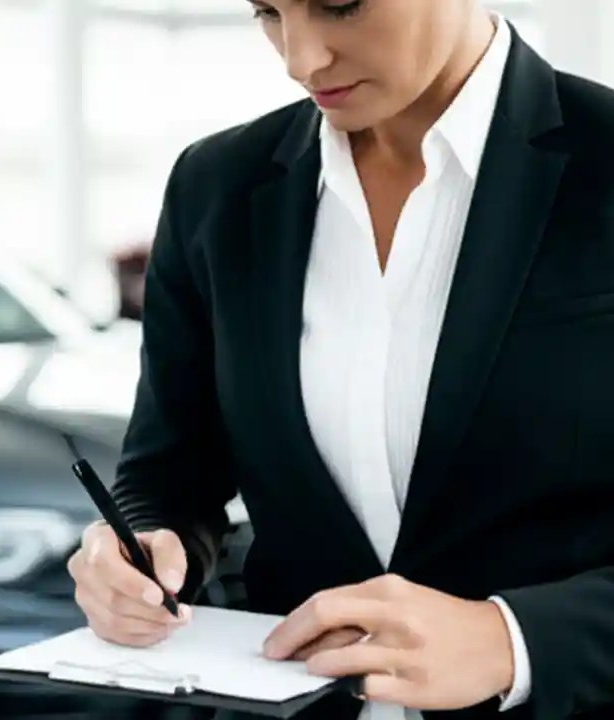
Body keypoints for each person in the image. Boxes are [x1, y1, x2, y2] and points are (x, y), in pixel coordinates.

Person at [67, 1, 614, 718]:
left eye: (340, 5)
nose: (301, 59)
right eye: (268, 11)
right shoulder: (217, 187)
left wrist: (517, 641)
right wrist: (140, 550)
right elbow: (169, 470)